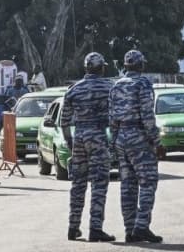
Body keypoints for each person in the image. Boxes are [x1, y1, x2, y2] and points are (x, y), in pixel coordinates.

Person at [110, 49, 162, 244]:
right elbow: (147, 115)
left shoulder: (116, 85)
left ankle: (130, 229)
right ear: (141, 65)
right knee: (148, 182)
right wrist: (156, 141)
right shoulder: (143, 83)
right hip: (139, 137)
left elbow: (112, 117)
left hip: (121, 137)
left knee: (128, 186)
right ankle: (141, 226)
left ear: (125, 65)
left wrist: (114, 142)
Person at [62, 52, 115, 242]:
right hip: (98, 136)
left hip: (79, 137)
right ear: (101, 68)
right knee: (99, 183)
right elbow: (116, 116)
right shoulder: (109, 87)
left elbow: (64, 121)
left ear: (86, 68)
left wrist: (70, 142)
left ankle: (73, 227)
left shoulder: (74, 89)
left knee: (78, 184)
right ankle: (95, 228)